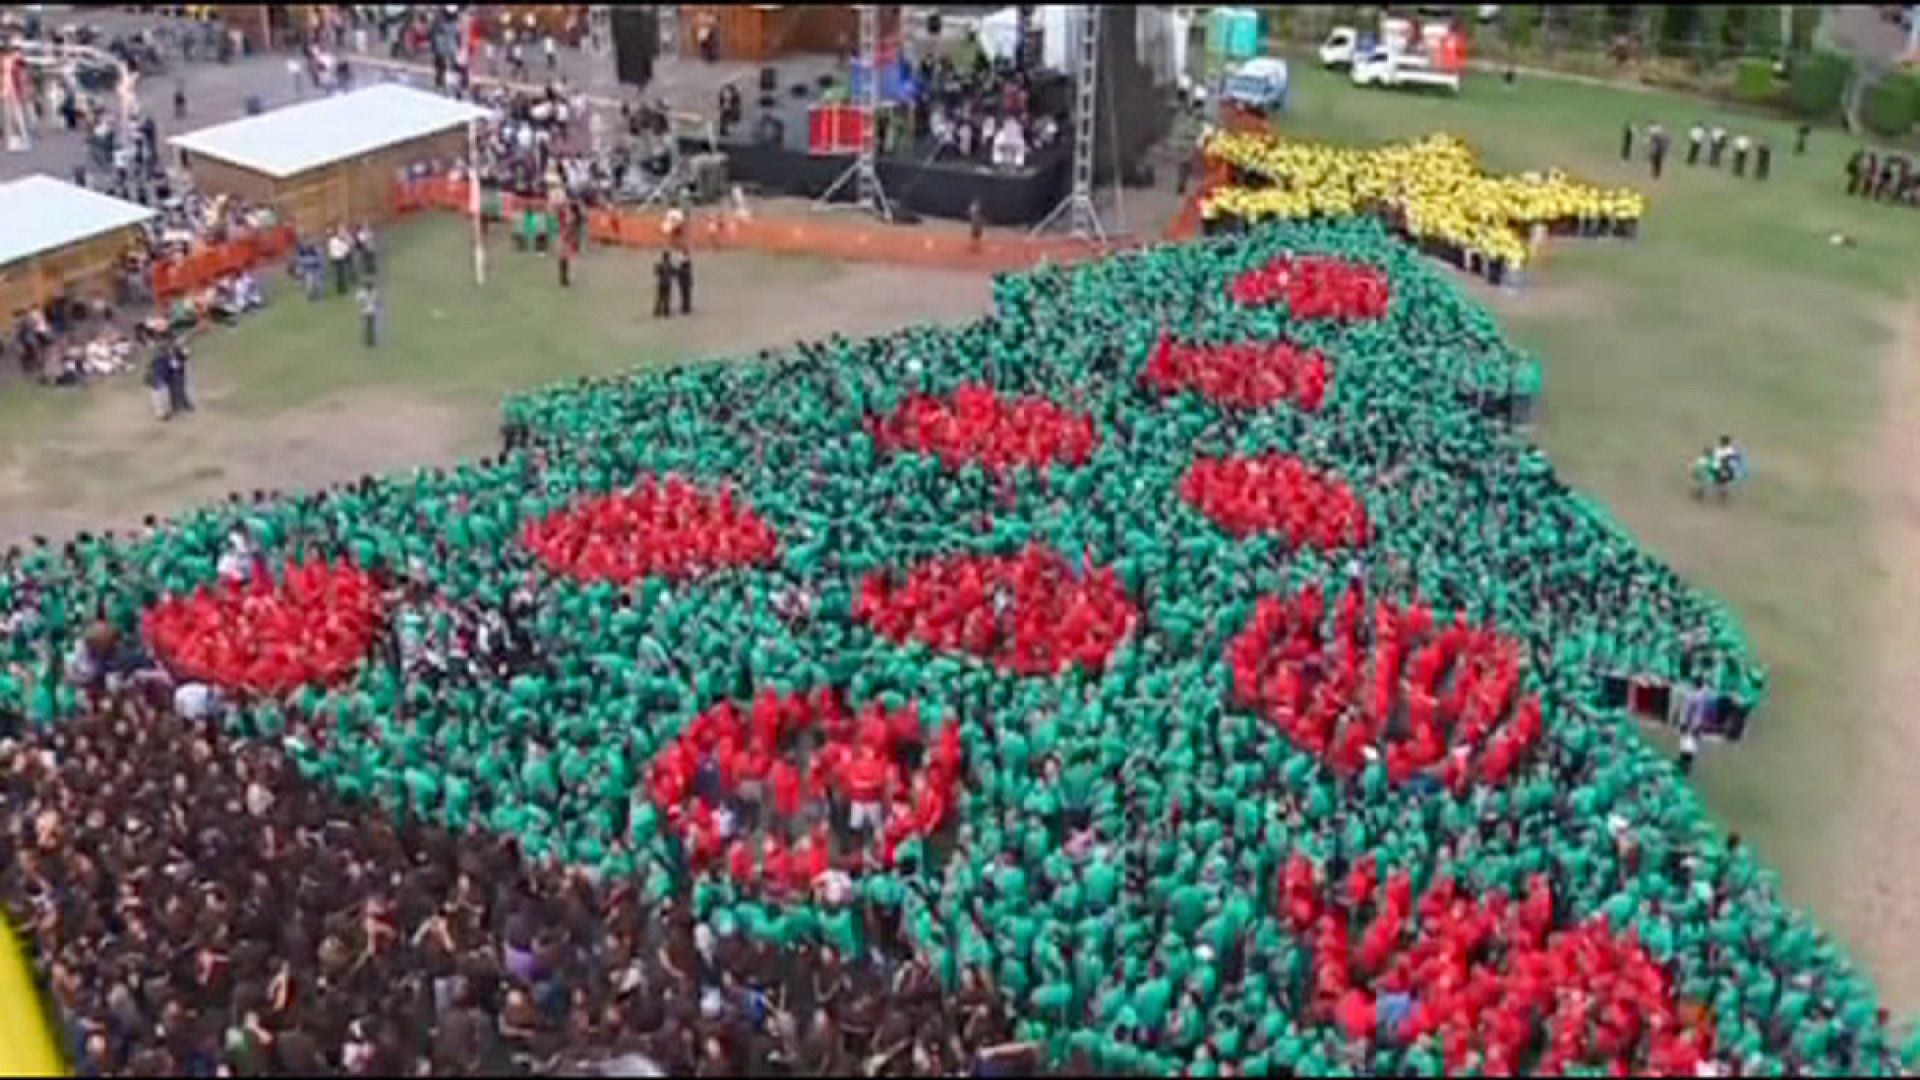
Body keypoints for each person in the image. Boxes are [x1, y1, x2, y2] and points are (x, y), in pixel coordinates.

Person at [327, 226, 353, 295]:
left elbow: (345, 249)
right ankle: (341, 288)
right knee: (340, 274)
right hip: (339, 258)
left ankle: (341, 288)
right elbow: (345, 249)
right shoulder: (336, 241)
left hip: (337, 258)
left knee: (340, 274)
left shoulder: (333, 240)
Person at [357, 281, 379, 348]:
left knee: (370, 327)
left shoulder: (363, 293)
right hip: (368, 312)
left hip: (370, 312)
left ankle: (371, 341)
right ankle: (369, 341)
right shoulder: (363, 293)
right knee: (368, 327)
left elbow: (360, 302)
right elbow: (361, 302)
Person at [653, 251, 674, 318]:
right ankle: (666, 311)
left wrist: (655, 267)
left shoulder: (660, 265)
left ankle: (657, 311)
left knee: (660, 297)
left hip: (661, 283)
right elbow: (674, 272)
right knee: (666, 297)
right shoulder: (669, 265)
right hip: (667, 283)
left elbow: (656, 273)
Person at [675, 250, 693, 316]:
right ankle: (687, 308)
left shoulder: (681, 267)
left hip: (682, 283)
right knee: (687, 296)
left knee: (683, 295)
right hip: (686, 283)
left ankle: (684, 307)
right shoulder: (687, 269)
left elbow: (677, 273)